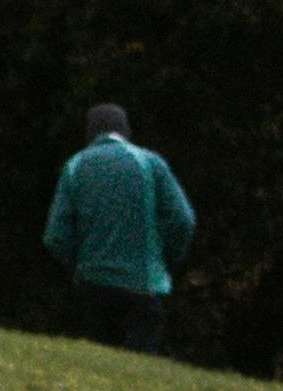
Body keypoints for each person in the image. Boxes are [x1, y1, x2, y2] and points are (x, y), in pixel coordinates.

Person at [43, 101, 196, 352]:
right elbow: (183, 220)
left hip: (93, 286)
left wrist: (81, 262)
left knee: (99, 368)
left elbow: (55, 236)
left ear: (89, 132)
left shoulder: (76, 166)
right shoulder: (149, 163)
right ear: (126, 131)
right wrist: (167, 258)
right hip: (143, 285)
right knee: (136, 371)